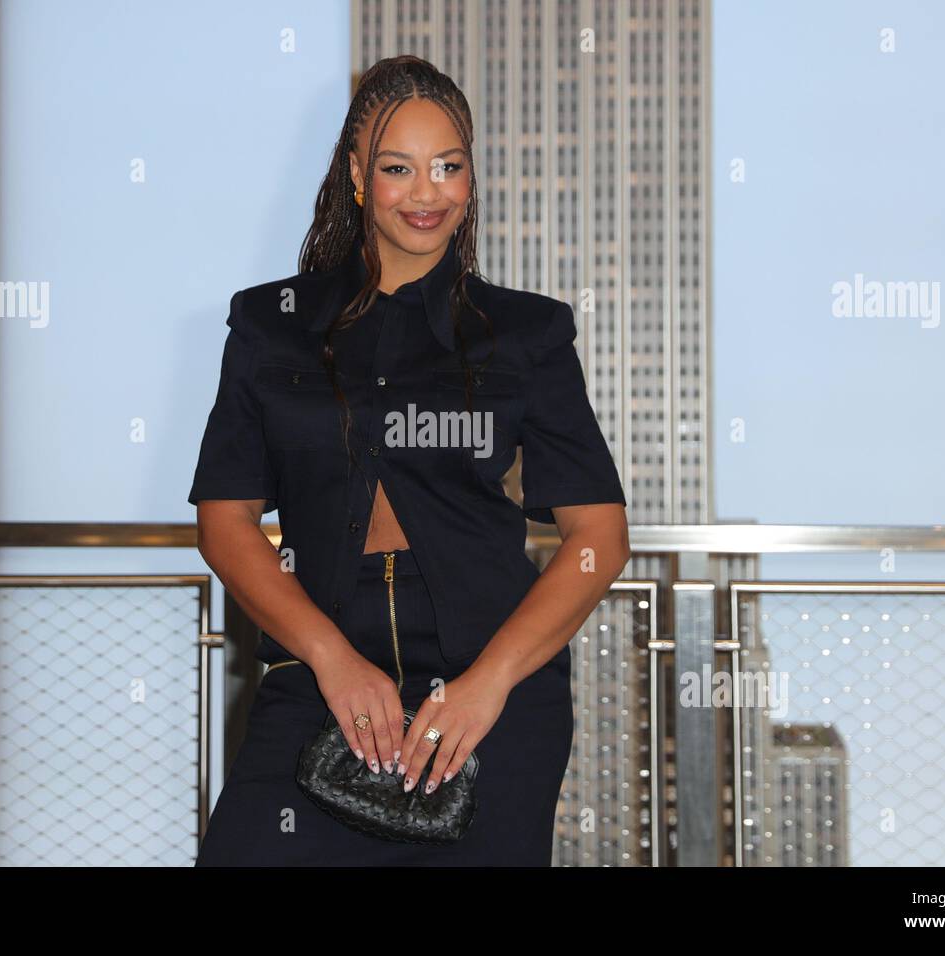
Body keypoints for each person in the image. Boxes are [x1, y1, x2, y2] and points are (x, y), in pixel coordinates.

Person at [190, 54, 630, 866]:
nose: (426, 194)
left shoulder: (527, 333)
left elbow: (599, 533)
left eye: (447, 168)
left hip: (487, 698)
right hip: (316, 682)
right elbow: (225, 524)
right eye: (398, 168)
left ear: (469, 177)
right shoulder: (270, 326)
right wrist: (329, 658)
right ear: (357, 176)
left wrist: (489, 684)